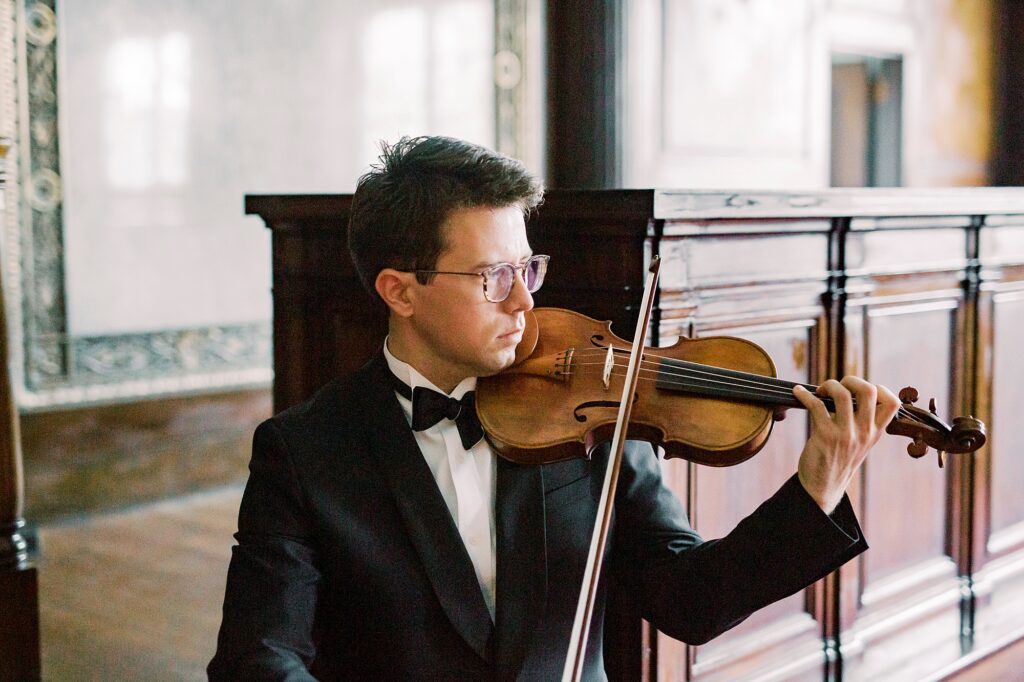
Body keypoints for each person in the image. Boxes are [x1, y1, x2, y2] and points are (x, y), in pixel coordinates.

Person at [209, 136, 901, 680]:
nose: (524, 302)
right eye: (493, 277)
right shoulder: (304, 452)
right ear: (400, 290)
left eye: (527, 268)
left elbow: (691, 600)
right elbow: (259, 659)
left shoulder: (593, 415)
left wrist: (818, 485)